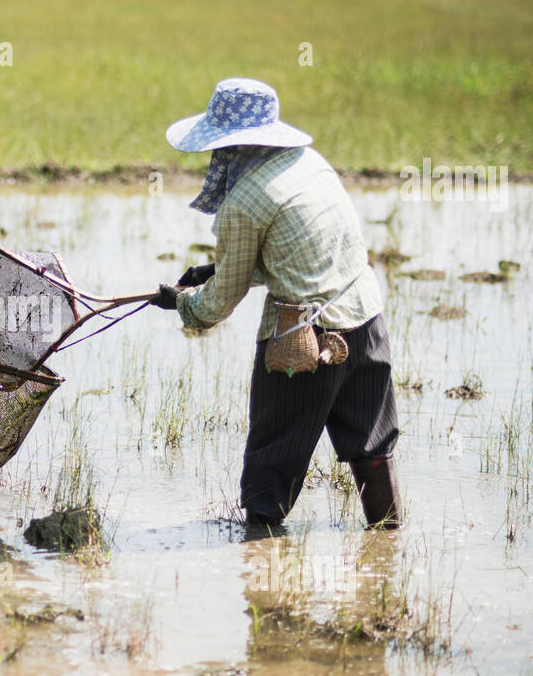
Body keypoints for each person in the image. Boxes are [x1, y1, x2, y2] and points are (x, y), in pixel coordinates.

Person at [149, 78, 403, 528]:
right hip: (365, 321)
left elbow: (218, 305)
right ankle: (387, 550)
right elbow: (303, 251)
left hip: (301, 344)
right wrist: (221, 268)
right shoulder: (311, 163)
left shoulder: (243, 202)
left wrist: (183, 304)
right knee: (372, 447)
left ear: (229, 145)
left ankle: (264, 584)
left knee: (273, 463)